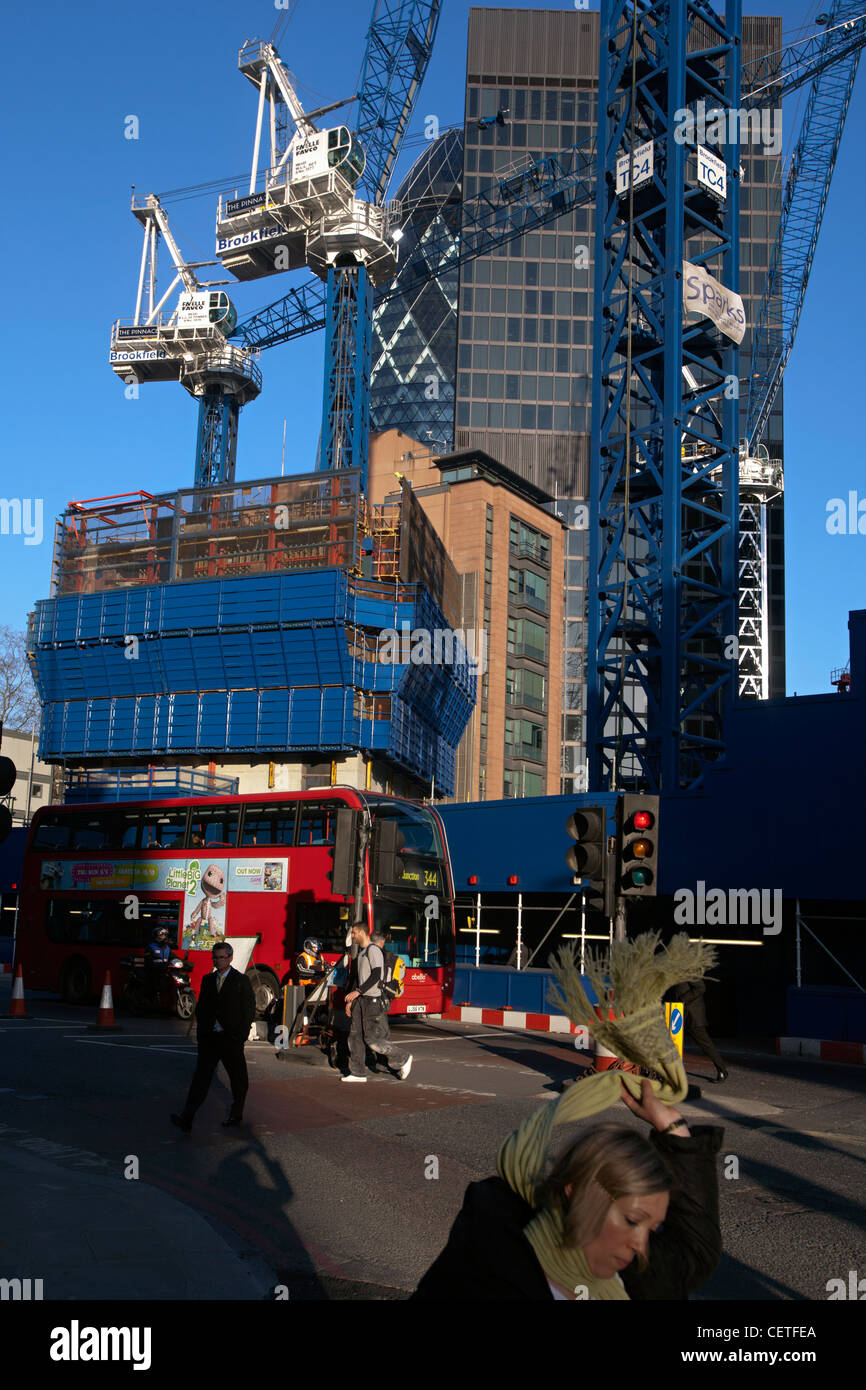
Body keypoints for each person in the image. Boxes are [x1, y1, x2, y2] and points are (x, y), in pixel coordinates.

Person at [412, 1079, 723, 1300]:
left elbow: (692, 1250)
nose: (642, 1246)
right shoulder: (483, 1270)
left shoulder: (620, 1267)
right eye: (631, 1220)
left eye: (652, 1228)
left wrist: (674, 1129)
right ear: (576, 1191)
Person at [171, 942, 256, 1131]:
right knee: (200, 1079)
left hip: (230, 1039)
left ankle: (236, 1114)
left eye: (222, 957)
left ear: (230, 958)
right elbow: (202, 1008)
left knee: (238, 1079)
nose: (218, 961)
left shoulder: (241, 980)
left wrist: (240, 1036)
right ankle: (187, 1117)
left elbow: (249, 1010)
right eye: (215, 957)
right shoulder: (208, 979)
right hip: (210, 1039)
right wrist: (202, 1033)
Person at [341, 924, 413, 1083]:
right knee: (355, 1037)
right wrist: (352, 1000)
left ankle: (403, 1057)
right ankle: (358, 1073)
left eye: (353, 932)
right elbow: (358, 979)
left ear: (361, 932)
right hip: (361, 1000)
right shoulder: (362, 953)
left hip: (372, 1001)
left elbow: (377, 975)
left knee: (372, 1040)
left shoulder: (373, 950)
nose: (352, 935)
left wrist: (358, 991)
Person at [667, 978, 728, 1082]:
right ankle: (670, 1073)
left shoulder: (690, 969)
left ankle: (722, 1070)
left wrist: (683, 999)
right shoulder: (675, 971)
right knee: (669, 1041)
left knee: (705, 1044)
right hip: (677, 1012)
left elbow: (700, 988)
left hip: (692, 1015)